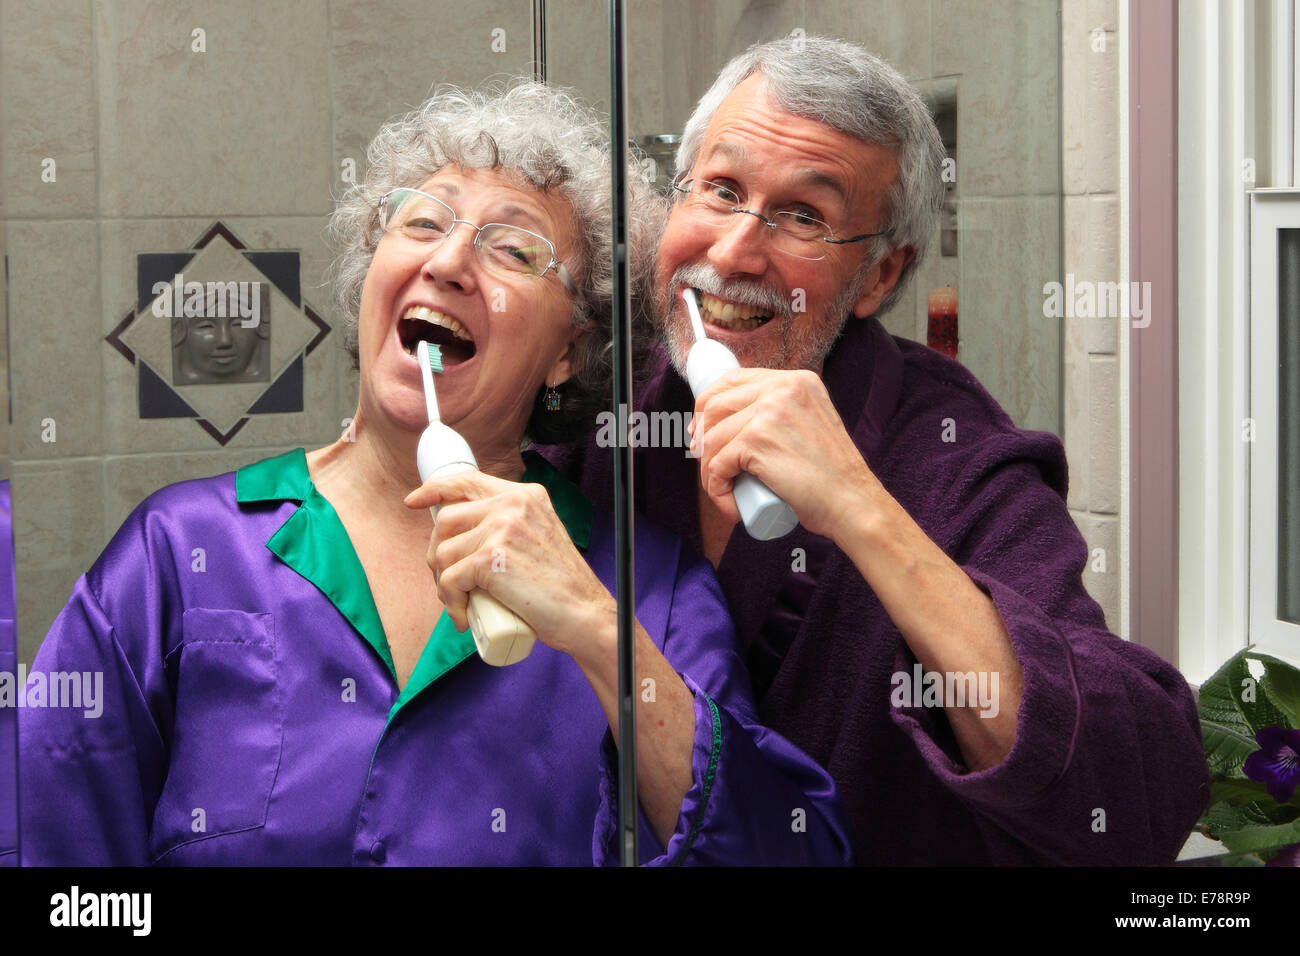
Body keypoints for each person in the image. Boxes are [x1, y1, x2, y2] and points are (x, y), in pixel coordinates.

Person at [18, 82, 852, 866]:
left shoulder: (645, 588)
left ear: (569, 349)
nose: (450, 260)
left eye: (516, 249)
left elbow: (779, 847)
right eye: (421, 223)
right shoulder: (179, 553)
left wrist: (601, 635)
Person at [541, 37, 1211, 865]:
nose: (734, 253)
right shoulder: (605, 393)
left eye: (805, 217)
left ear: (881, 277)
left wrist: (861, 509)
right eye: (720, 190)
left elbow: (1135, 796)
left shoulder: (951, 456)